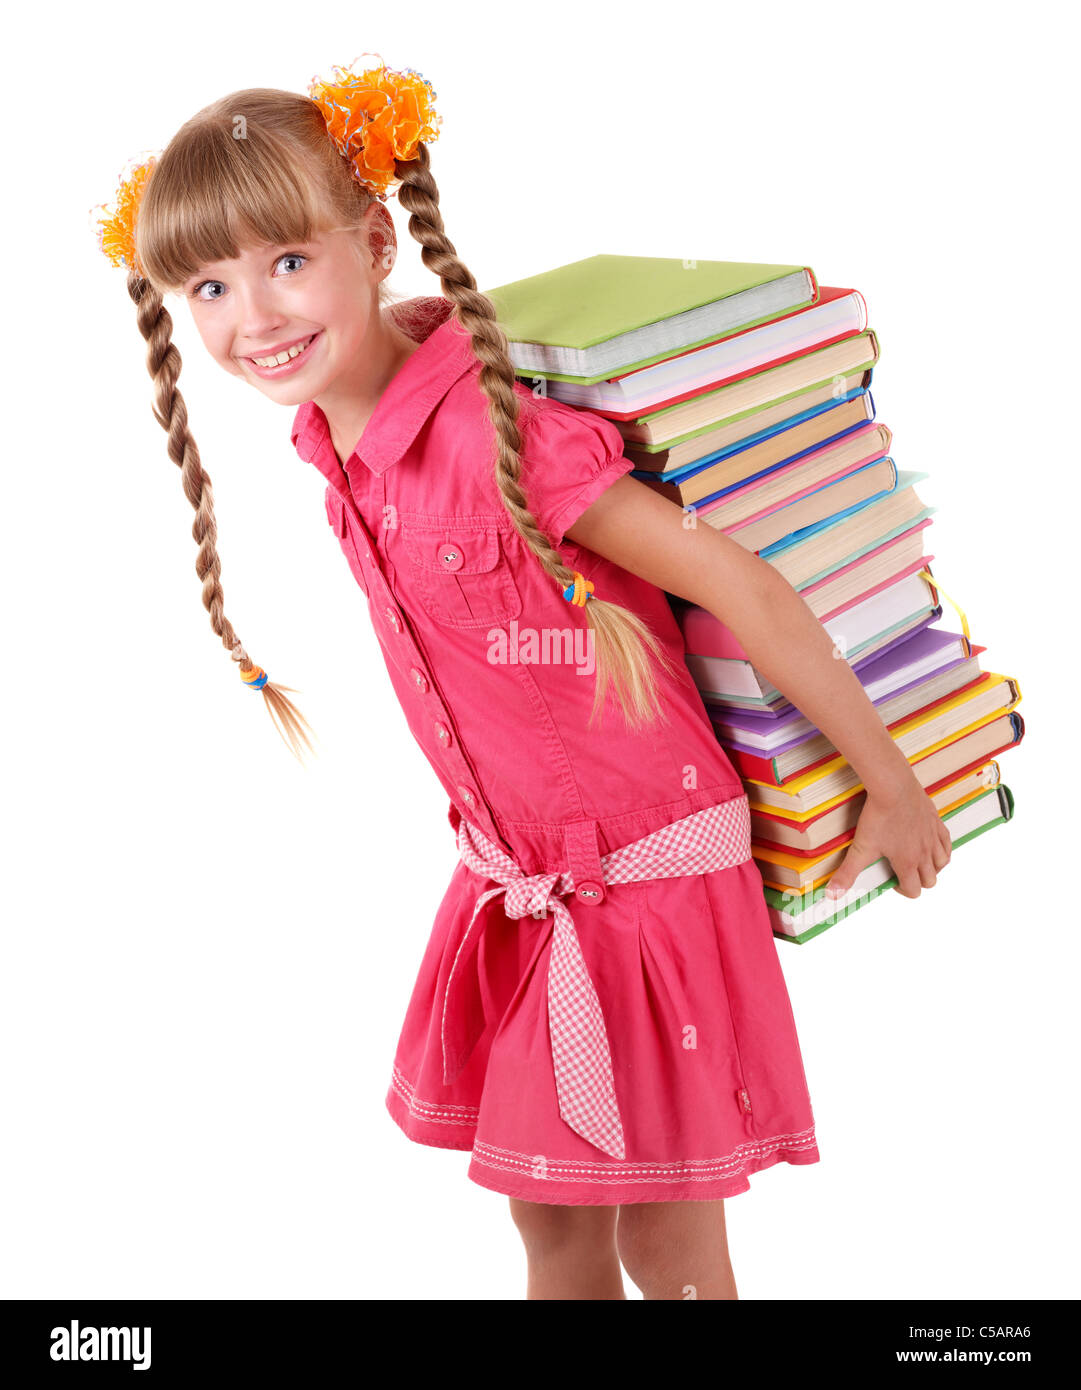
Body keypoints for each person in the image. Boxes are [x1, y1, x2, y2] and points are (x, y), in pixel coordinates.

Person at [94, 57, 951, 1301]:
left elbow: (742, 587)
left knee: (669, 1243)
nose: (254, 315)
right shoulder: (333, 441)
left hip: (639, 885)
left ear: (374, 239)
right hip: (525, 880)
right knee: (549, 1231)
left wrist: (895, 784)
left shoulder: (513, 441)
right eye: (209, 284)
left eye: (287, 261)